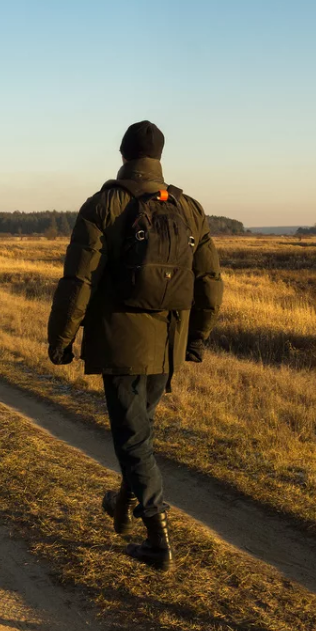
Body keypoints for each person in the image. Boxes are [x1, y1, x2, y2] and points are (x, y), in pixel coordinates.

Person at [47, 120, 223, 571]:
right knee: (138, 433)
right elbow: (211, 284)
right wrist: (196, 340)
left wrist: (62, 339)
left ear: (123, 154)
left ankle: (157, 536)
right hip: (167, 344)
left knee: (133, 438)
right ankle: (121, 504)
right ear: (159, 158)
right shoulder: (189, 208)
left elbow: (79, 280)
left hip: (120, 343)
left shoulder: (105, 204)